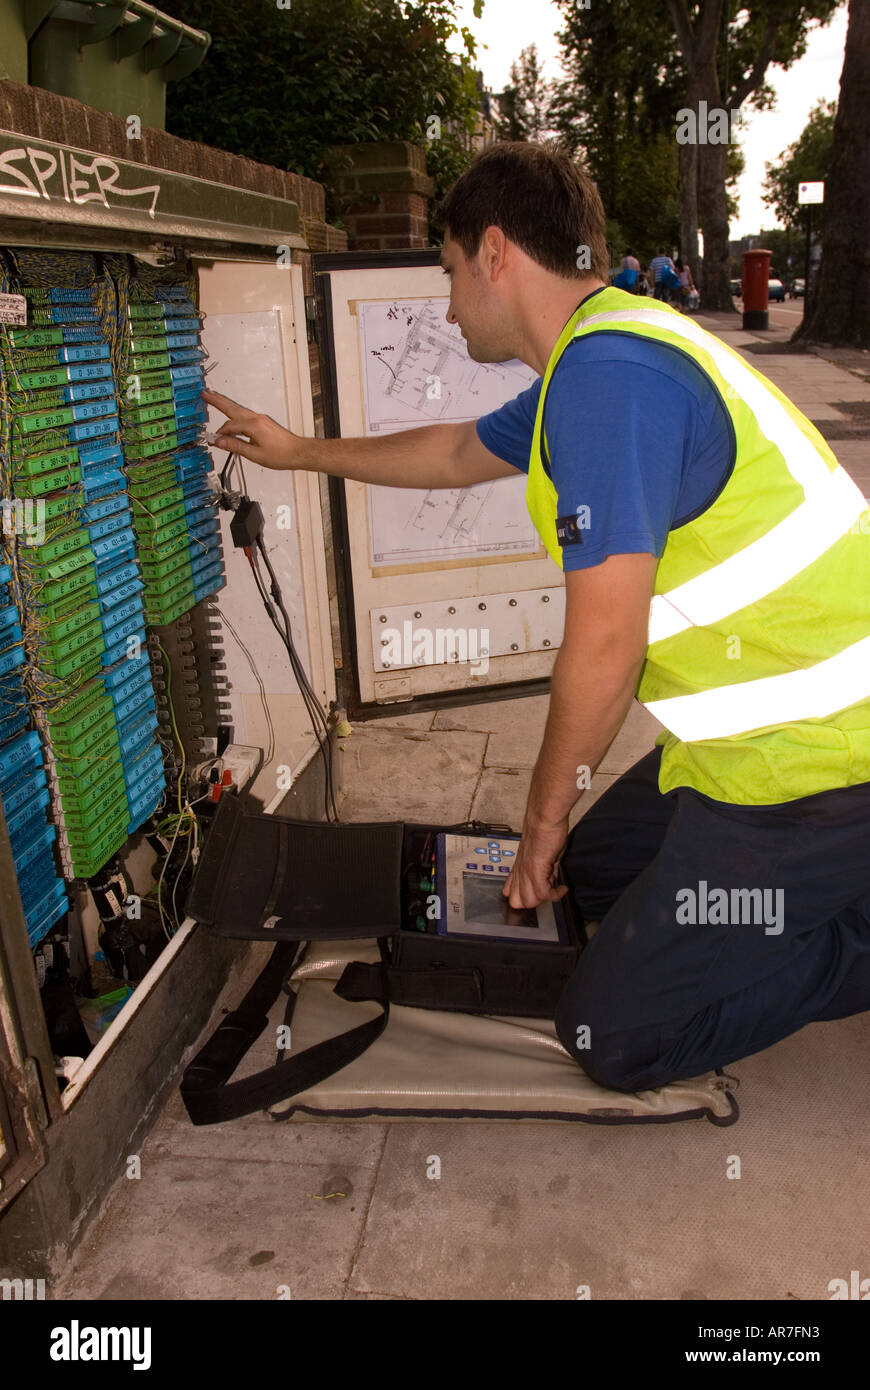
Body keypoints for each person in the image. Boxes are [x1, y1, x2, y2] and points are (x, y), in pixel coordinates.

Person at [202, 141, 870, 1095]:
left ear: (496, 251)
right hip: (749, 748)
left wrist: (541, 821)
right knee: (588, 884)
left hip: (825, 766)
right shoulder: (602, 354)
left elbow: (604, 647)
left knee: (611, 1034)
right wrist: (299, 452)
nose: (445, 301)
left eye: (447, 269)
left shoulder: (612, 381)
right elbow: (454, 453)